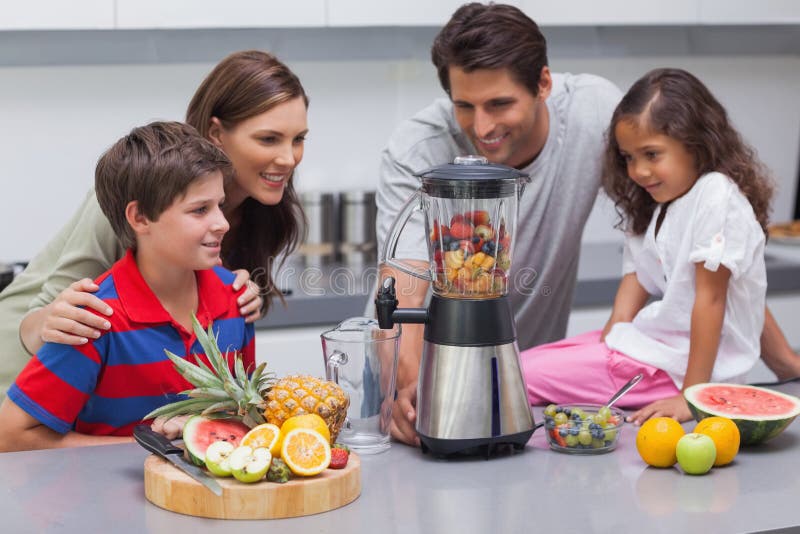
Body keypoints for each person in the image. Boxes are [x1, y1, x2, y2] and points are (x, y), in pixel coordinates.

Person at [376, 3, 800, 446]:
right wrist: (412, 388)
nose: (482, 127)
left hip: (533, 393)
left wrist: (784, 362)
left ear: (544, 83)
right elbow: (404, 289)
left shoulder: (593, 114)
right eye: (464, 106)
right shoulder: (418, 151)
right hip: (440, 388)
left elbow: (720, 271)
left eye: (499, 103)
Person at [0, 50, 308, 399]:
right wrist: (44, 324)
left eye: (299, 139)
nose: (289, 158)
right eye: (269, 139)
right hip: (17, 369)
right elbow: (53, 314)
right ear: (216, 132)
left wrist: (240, 293)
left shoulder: (258, 210)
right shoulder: (145, 198)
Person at [521, 68, 773, 425]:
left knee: (512, 377)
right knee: (511, 366)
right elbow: (636, 279)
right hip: (649, 350)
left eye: (652, 155)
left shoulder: (715, 194)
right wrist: (605, 347)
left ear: (697, 144)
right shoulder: (660, 203)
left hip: (673, 371)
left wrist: (692, 396)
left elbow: (712, 299)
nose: (638, 171)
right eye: (628, 158)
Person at [0, 121, 255, 451]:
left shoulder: (235, 299)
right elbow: (11, 435)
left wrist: (200, 429)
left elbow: (245, 412)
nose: (221, 223)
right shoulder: (95, 319)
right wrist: (152, 448)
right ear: (140, 218)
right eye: (200, 210)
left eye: (219, 205)